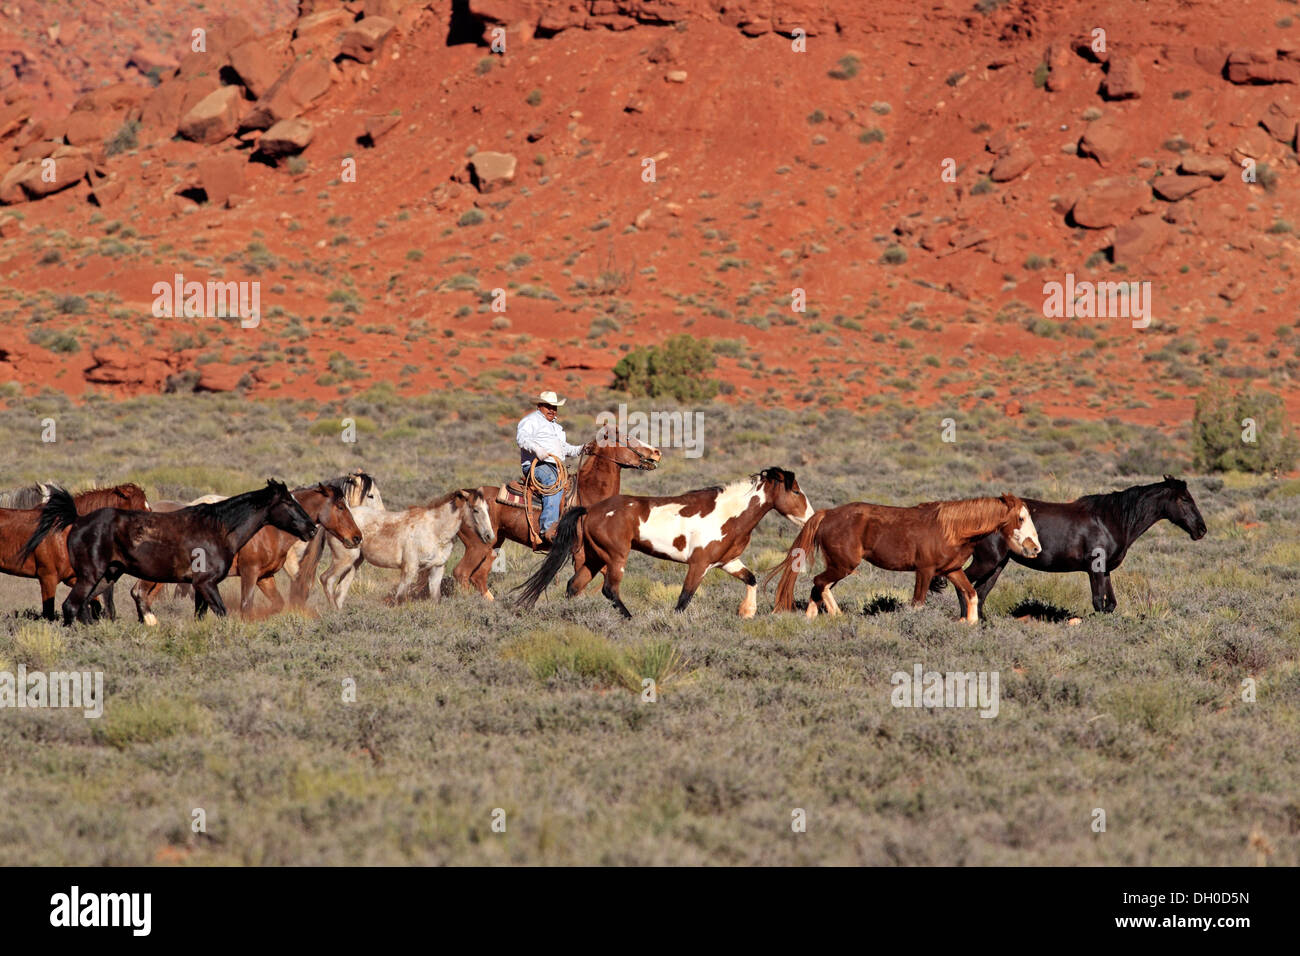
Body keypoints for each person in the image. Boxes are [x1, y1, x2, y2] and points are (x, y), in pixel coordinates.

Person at [516, 391, 592, 545]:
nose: (552, 410)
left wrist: (581, 449)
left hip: (556, 465)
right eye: (548, 406)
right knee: (554, 482)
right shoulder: (530, 421)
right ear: (539, 406)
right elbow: (522, 438)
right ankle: (548, 529)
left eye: (554, 407)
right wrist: (537, 449)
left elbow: (564, 448)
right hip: (537, 466)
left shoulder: (557, 427)